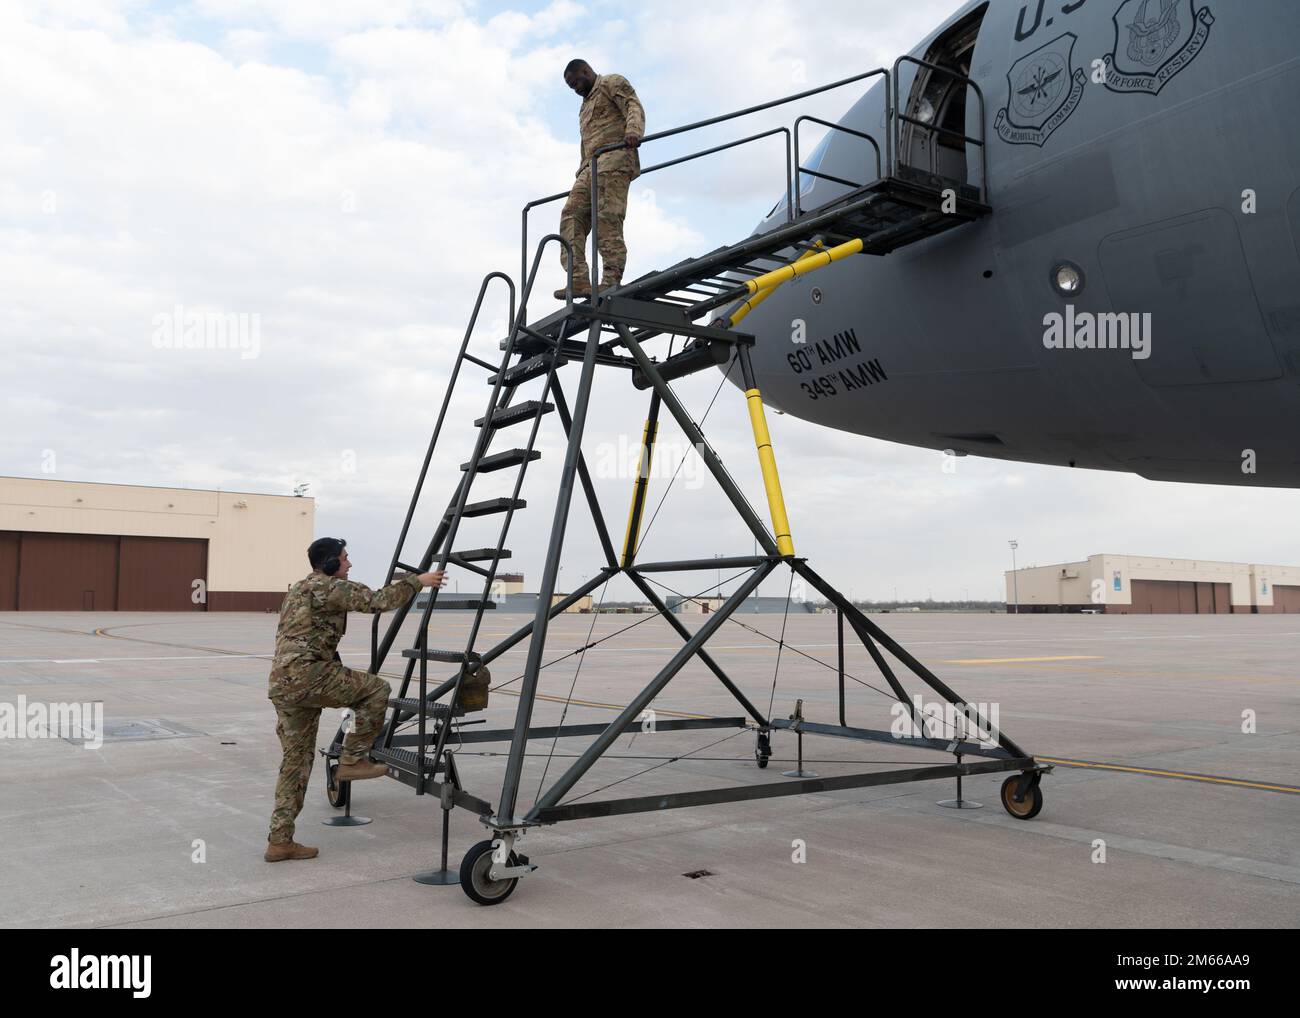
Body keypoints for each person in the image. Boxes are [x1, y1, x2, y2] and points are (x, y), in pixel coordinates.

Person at [264, 537, 446, 862]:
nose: (349, 564)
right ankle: (352, 760)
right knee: (377, 690)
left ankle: (280, 841)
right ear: (331, 563)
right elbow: (378, 601)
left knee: (295, 762)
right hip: (308, 676)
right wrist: (417, 581)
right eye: (345, 559)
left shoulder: (298, 589)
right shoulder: (330, 586)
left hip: (284, 684)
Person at [554, 59, 645, 301]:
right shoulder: (584, 107)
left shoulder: (610, 82)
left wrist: (633, 131)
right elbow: (586, 142)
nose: (575, 89)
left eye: (576, 82)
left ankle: (611, 278)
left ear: (586, 71)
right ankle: (578, 278)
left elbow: (632, 105)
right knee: (571, 214)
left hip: (615, 158)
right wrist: (581, 168)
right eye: (571, 87)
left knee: (607, 218)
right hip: (590, 166)